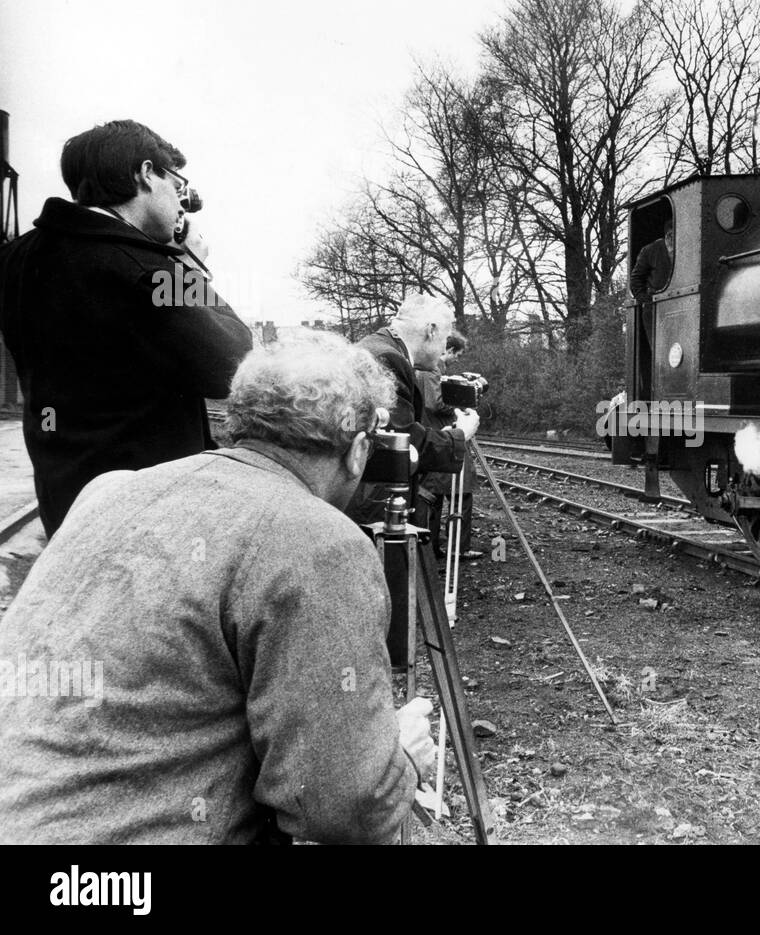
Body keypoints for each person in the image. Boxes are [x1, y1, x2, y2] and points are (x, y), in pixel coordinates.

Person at [0, 334, 440, 844]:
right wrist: (400, 758)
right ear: (359, 450)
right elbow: (347, 811)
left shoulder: (108, 491)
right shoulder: (317, 539)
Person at [0, 119, 252, 536]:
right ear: (146, 173)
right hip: (145, 517)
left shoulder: (16, 258)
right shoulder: (146, 271)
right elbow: (236, 363)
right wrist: (191, 267)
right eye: (177, 185)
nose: (180, 204)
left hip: (64, 504)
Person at [349, 295, 479, 525]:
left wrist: (442, 435)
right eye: (445, 338)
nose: (444, 349)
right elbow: (398, 443)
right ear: (431, 330)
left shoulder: (376, 346)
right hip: (375, 505)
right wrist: (459, 436)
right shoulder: (389, 359)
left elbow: (390, 427)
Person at [416, 331, 482, 560]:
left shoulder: (423, 369)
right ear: (449, 350)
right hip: (443, 435)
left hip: (431, 435)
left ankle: (431, 548)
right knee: (461, 494)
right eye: (458, 355)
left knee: (432, 496)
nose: (457, 359)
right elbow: (434, 403)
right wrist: (461, 404)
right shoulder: (432, 369)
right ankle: (459, 548)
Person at [628, 217, 674, 303]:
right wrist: (645, 299)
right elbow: (636, 279)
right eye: (671, 235)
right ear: (669, 235)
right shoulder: (649, 250)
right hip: (655, 303)